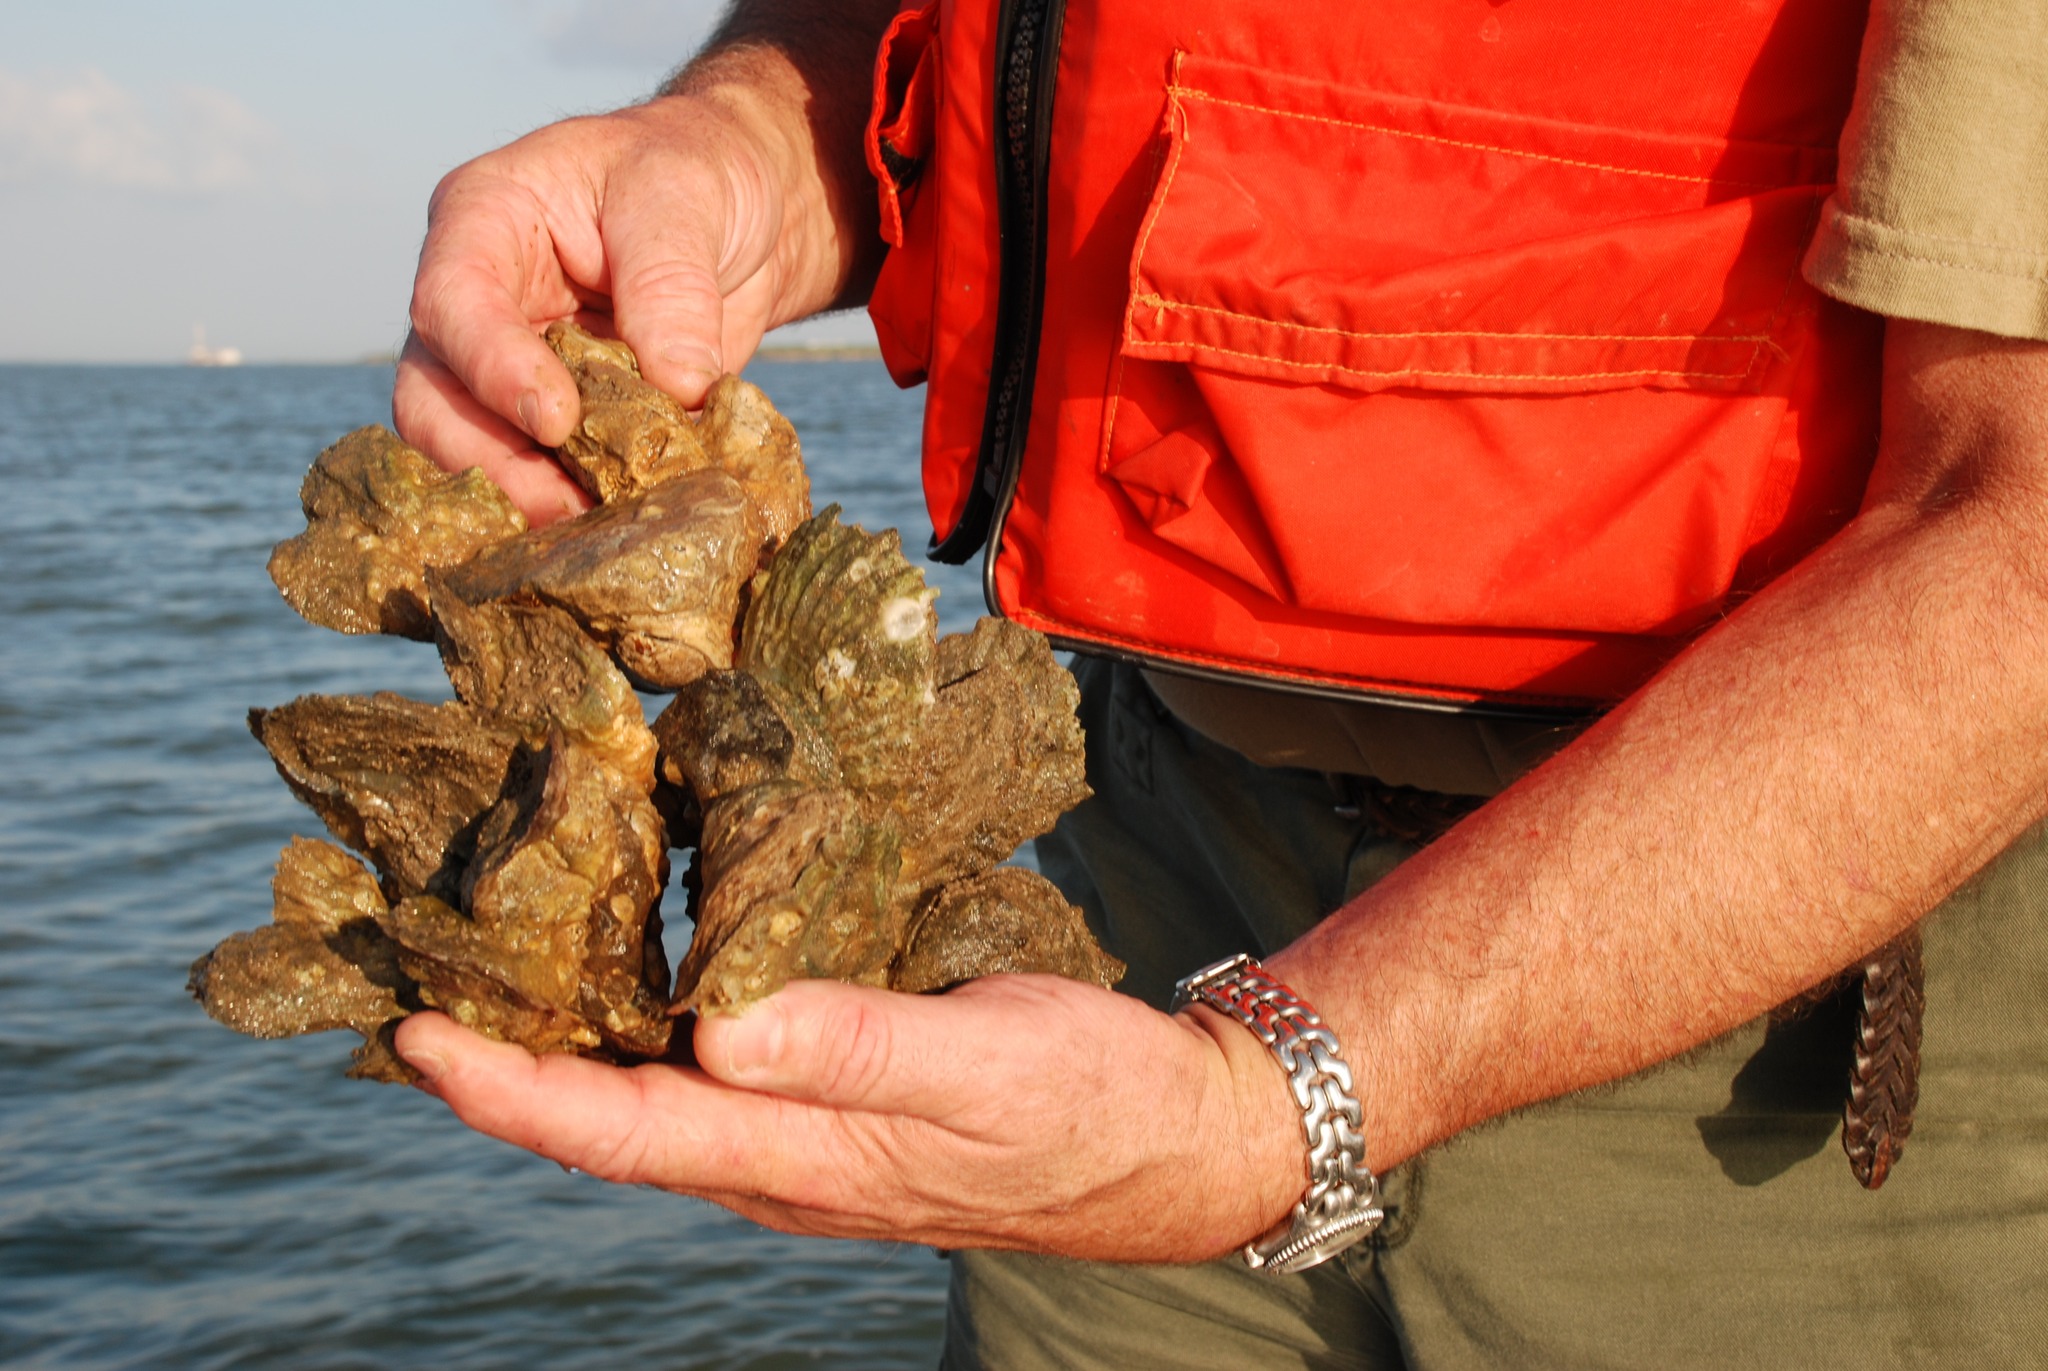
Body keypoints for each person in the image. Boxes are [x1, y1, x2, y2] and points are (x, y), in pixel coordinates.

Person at [390, 0, 2048, 1364]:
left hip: (1777, 994)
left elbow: (2023, 540)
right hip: (1151, 871)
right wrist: (765, 134)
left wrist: (1274, 1109)